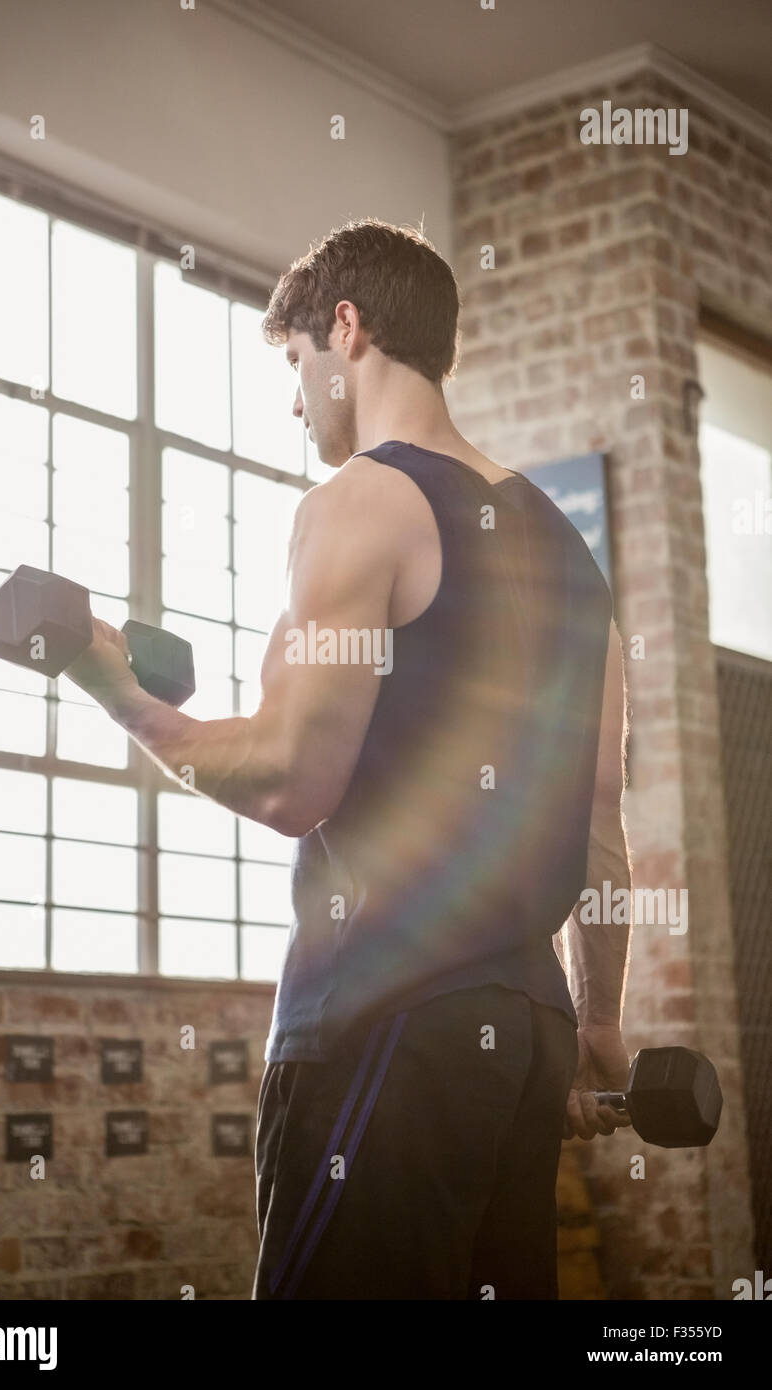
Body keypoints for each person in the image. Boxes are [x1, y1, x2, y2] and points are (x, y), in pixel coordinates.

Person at [67, 217, 633, 1301]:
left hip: (387, 1024)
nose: (293, 401)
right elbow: (601, 832)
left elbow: (289, 779)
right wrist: (595, 1023)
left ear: (345, 325)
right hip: (524, 1040)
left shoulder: (360, 501)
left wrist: (115, 691)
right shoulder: (576, 568)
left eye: (294, 365)